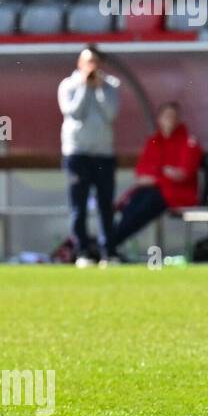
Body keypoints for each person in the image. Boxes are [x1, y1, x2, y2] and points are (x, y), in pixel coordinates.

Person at [57, 45, 121, 266]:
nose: (92, 66)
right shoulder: (68, 85)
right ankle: (82, 252)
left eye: (95, 61)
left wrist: (100, 88)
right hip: (78, 153)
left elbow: (110, 114)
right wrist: (85, 86)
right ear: (80, 63)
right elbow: (74, 112)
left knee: (106, 206)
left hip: (103, 154)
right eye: (88, 61)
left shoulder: (110, 86)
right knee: (79, 207)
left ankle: (108, 252)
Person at [112, 101, 203, 250]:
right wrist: (164, 173)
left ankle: (110, 244)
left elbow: (182, 175)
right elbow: (141, 175)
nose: (170, 120)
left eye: (173, 116)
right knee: (131, 206)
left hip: (176, 194)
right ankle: (109, 244)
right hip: (156, 190)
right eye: (166, 116)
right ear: (159, 119)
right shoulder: (154, 141)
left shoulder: (189, 141)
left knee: (143, 207)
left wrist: (157, 175)